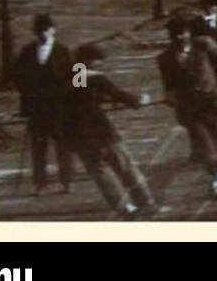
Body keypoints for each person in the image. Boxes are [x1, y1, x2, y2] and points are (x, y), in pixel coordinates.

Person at [157, 12, 217, 196]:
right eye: (175, 34)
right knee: (207, 147)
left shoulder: (203, 45)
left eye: (183, 33)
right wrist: (170, 97)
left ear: (189, 32)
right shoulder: (164, 58)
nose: (180, 37)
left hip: (213, 103)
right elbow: (169, 85)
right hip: (190, 109)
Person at [67, 44, 159, 218]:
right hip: (101, 130)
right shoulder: (96, 78)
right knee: (125, 166)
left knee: (100, 172)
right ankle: (145, 202)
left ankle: (124, 208)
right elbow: (118, 94)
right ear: (88, 60)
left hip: (78, 134)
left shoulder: (67, 77)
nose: (100, 63)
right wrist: (139, 100)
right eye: (97, 60)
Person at [13, 13, 75, 195]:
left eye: (47, 29)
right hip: (37, 108)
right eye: (40, 30)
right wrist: (26, 95)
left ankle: (67, 181)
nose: (43, 33)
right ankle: (40, 183)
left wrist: (75, 96)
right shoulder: (27, 51)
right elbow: (17, 76)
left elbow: (78, 75)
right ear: (36, 32)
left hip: (59, 107)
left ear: (53, 30)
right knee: (38, 147)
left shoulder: (64, 50)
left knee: (63, 146)